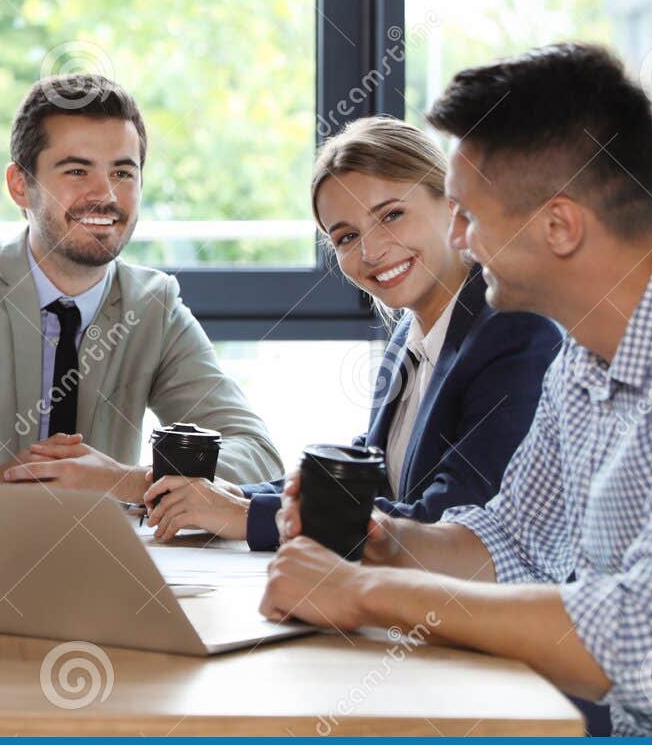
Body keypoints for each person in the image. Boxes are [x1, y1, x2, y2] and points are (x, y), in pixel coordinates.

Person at [260, 42, 652, 736]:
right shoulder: (583, 359)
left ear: (560, 225)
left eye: (468, 214)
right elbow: (513, 536)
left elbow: (650, 641)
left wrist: (368, 591)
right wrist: (386, 540)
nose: (456, 237)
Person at [0, 73, 283, 498]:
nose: (106, 194)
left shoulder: (153, 306)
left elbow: (257, 455)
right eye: (77, 171)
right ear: (20, 185)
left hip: (99, 563)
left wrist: (123, 481)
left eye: (123, 172)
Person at [144, 117, 561, 547]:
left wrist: (250, 515)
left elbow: (452, 521)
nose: (372, 251)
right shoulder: (410, 335)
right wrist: (238, 496)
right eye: (346, 237)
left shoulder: (517, 332)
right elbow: (374, 479)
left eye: (392, 215)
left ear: (453, 204)